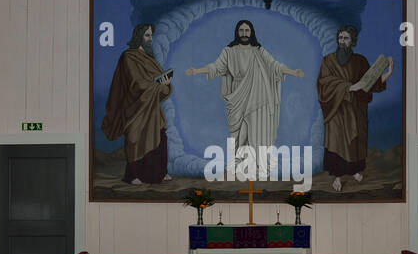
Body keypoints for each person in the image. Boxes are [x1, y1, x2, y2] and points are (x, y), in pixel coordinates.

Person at [185, 20, 303, 177]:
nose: (244, 33)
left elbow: (274, 65)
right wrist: (197, 70)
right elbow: (216, 66)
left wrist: (292, 72)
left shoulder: (259, 51)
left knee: (255, 131)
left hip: (257, 96)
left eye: (247, 30)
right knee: (237, 134)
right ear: (237, 32)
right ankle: (238, 165)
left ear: (251, 32)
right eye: (241, 30)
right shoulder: (229, 51)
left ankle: (256, 166)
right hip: (237, 96)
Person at [317, 25, 393, 192]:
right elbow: (324, 83)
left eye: (345, 38)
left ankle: (355, 172)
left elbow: (368, 83)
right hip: (337, 110)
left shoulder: (360, 60)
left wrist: (386, 74)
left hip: (356, 109)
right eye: (340, 38)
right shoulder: (328, 61)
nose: (341, 41)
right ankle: (337, 177)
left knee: (356, 141)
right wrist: (348, 87)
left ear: (352, 41)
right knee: (338, 142)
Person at [101, 23, 173, 185]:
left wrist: (166, 83)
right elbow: (136, 84)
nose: (150, 39)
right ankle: (133, 175)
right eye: (147, 35)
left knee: (161, 137)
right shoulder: (128, 57)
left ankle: (160, 173)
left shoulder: (151, 59)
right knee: (135, 139)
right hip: (135, 108)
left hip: (153, 110)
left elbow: (162, 90)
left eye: (151, 36)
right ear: (138, 36)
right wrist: (158, 85)